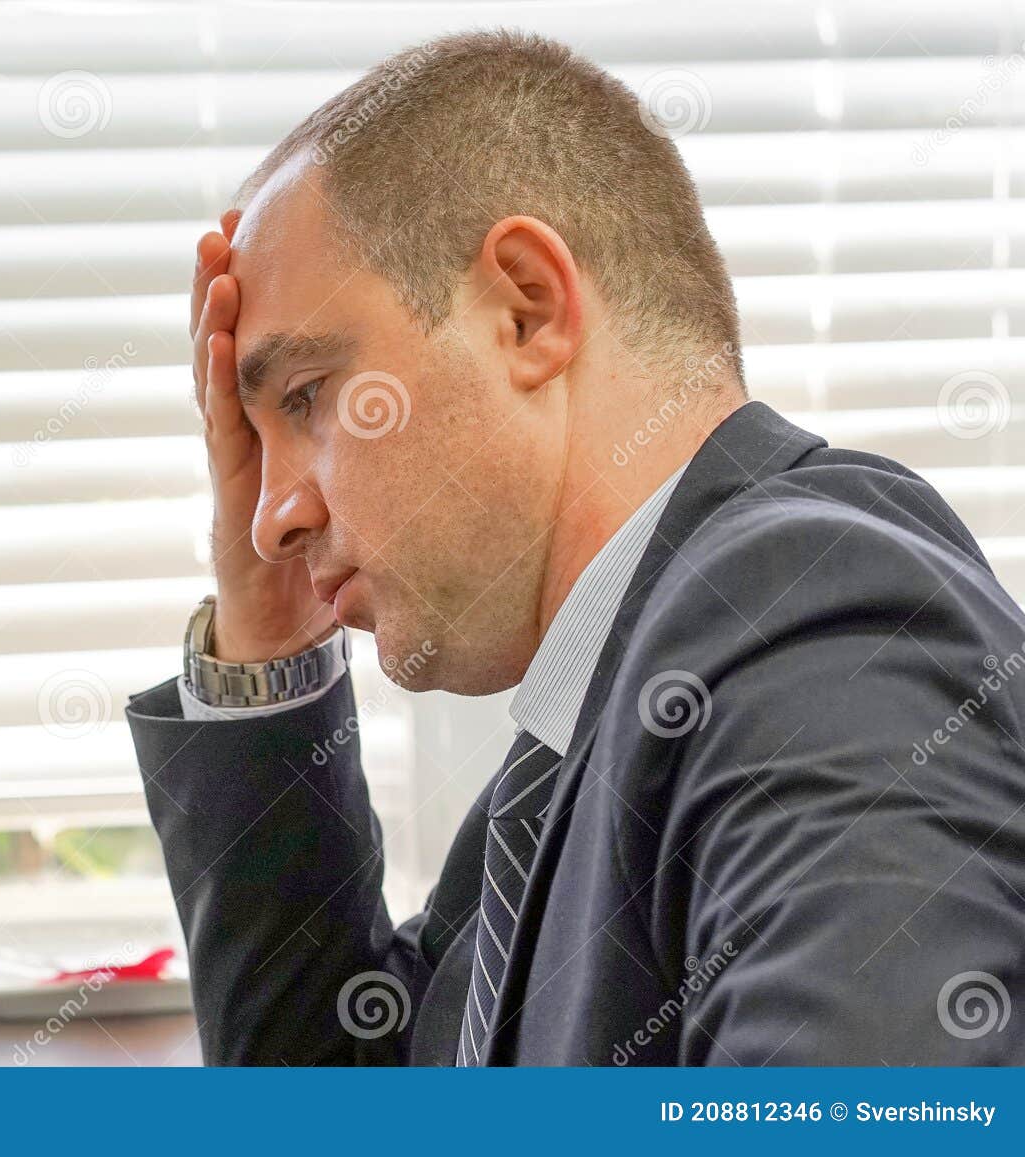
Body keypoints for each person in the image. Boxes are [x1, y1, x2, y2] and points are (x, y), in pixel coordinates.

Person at [124, 29, 1025, 1065]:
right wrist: (266, 629)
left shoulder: (811, 627)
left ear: (525, 310)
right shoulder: (591, 709)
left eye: (308, 395)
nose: (270, 514)